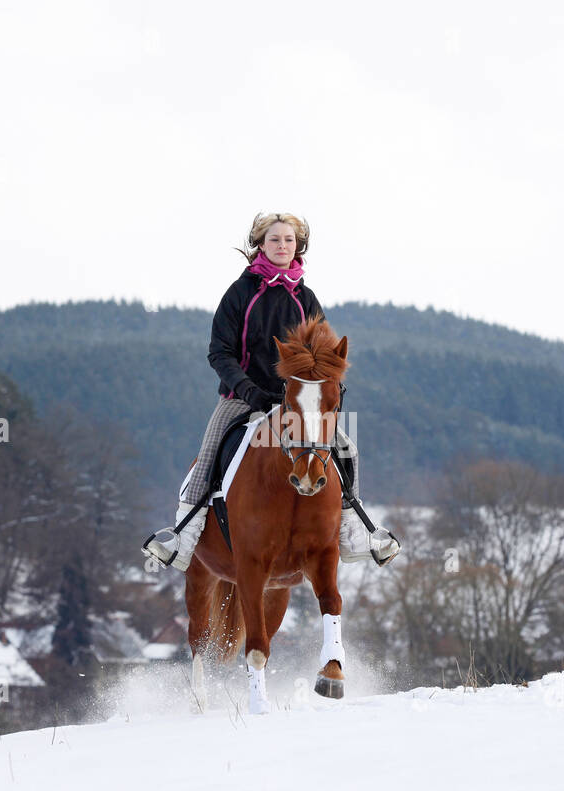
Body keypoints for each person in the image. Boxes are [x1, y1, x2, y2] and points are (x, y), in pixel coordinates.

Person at [143, 212, 400, 571]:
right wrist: (249, 390)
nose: (282, 246)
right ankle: (183, 536)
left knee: (346, 447)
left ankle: (354, 530)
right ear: (260, 245)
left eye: (289, 240)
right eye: (275, 240)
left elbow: (323, 355)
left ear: (298, 246)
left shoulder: (306, 298)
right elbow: (220, 352)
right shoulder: (239, 293)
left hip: (297, 403)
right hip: (241, 397)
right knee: (210, 450)